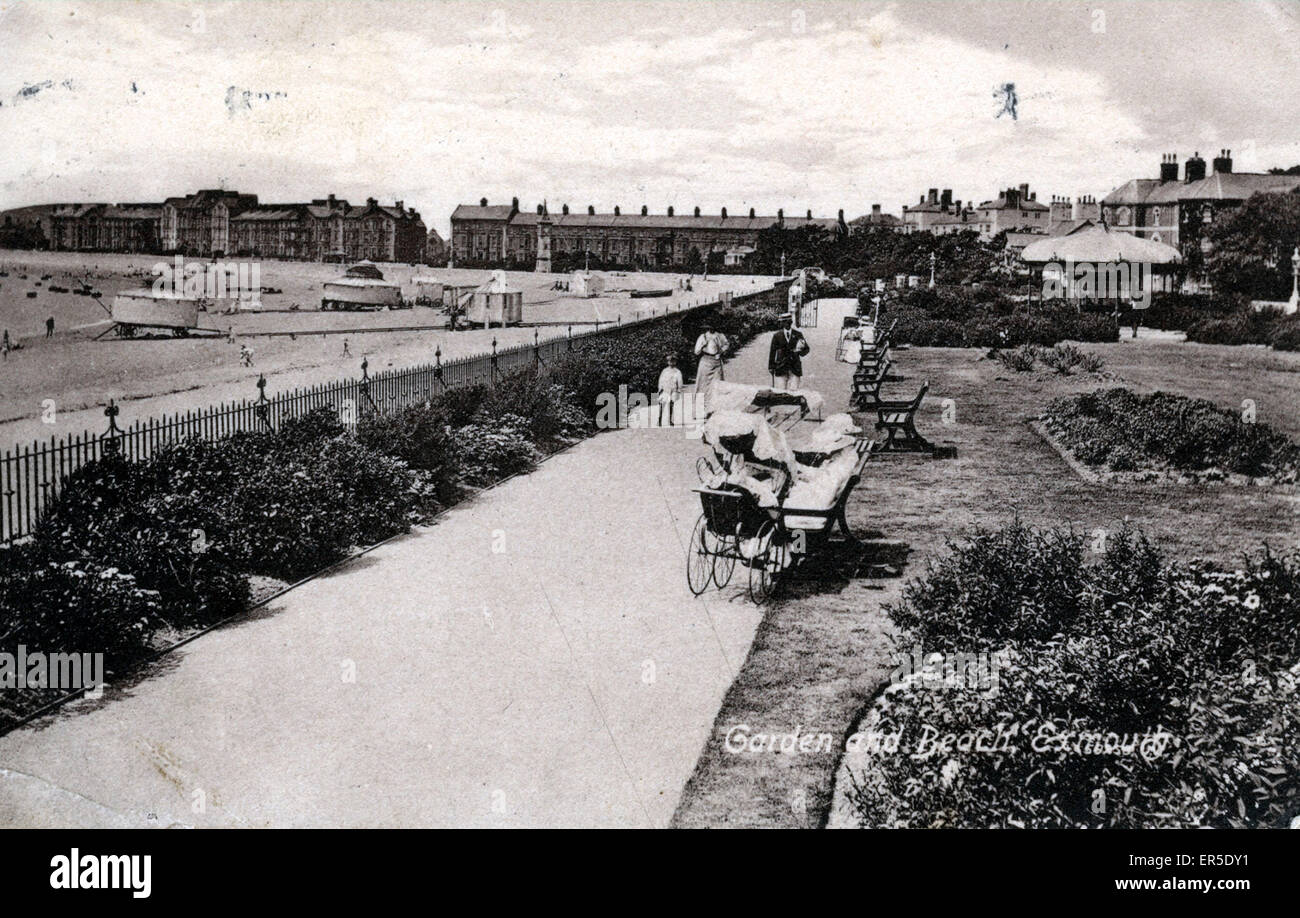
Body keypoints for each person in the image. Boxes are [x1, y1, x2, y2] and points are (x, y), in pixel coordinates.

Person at [768, 312, 810, 390]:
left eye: (786, 322)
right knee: (780, 391)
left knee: (794, 392)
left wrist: (799, 351)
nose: (785, 324)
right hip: (781, 367)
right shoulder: (777, 336)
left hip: (795, 367)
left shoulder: (798, 334)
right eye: (783, 322)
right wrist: (771, 367)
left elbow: (806, 349)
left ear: (790, 322)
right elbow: (772, 352)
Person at [694, 320, 729, 411]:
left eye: (713, 326)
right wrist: (703, 345)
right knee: (703, 385)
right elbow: (696, 352)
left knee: (718, 384)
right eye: (710, 327)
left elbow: (726, 344)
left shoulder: (720, 336)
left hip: (716, 362)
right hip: (705, 361)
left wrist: (721, 351)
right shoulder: (703, 337)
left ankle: (716, 409)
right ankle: (702, 409)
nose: (711, 328)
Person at [656, 354, 684, 427]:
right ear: (667, 362)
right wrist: (660, 388)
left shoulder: (677, 371)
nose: (671, 363)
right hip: (665, 389)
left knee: (671, 405)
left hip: (673, 389)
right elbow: (661, 380)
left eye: (673, 361)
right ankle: (660, 420)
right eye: (669, 361)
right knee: (662, 405)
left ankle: (670, 420)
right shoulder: (665, 371)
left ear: (675, 362)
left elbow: (680, 381)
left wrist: (679, 389)